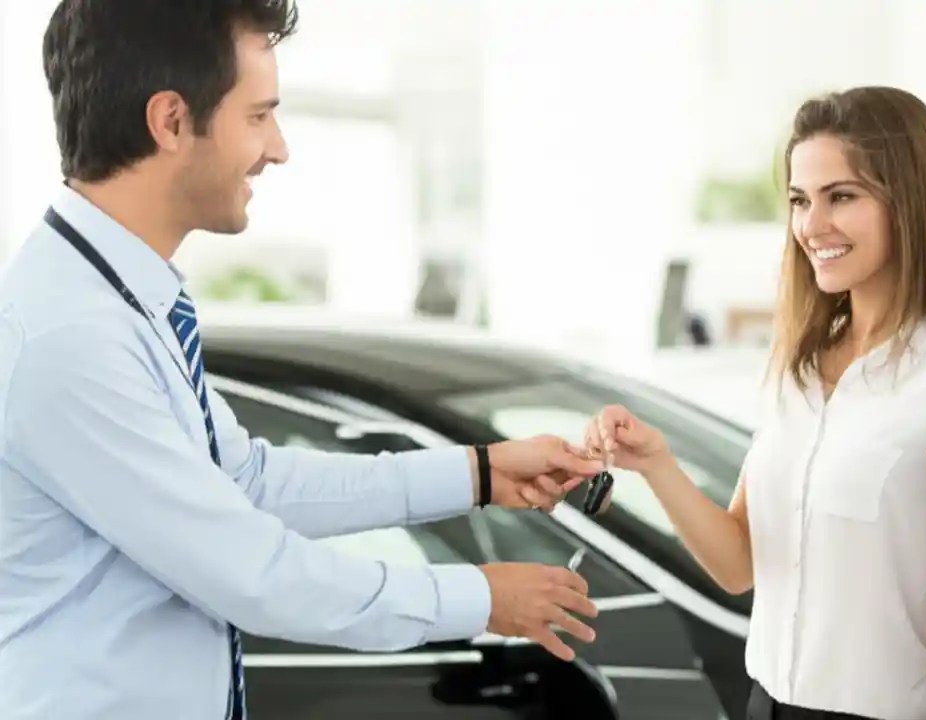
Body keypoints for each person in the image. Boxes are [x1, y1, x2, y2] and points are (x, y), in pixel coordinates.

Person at [0, 2, 603, 718]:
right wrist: (481, 598)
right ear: (169, 121)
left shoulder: (114, 300)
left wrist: (478, 472)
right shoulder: (70, 335)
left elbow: (244, 482)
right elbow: (254, 574)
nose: (278, 148)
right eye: (258, 117)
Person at [586, 86, 926, 720]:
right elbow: (741, 564)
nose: (811, 225)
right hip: (766, 704)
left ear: (910, 203)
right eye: (800, 200)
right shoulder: (798, 368)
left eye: (842, 197)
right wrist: (658, 463)